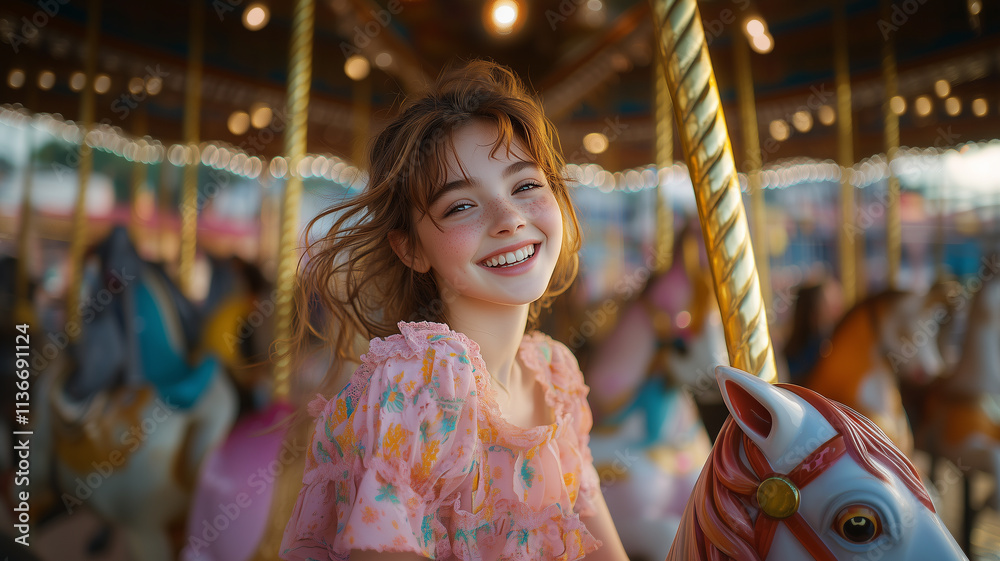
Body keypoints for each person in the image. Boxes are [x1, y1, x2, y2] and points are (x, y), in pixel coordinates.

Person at [279, 60, 629, 561]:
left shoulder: (556, 373)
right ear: (411, 249)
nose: (508, 219)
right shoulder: (421, 382)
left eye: (526, 185)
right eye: (460, 206)